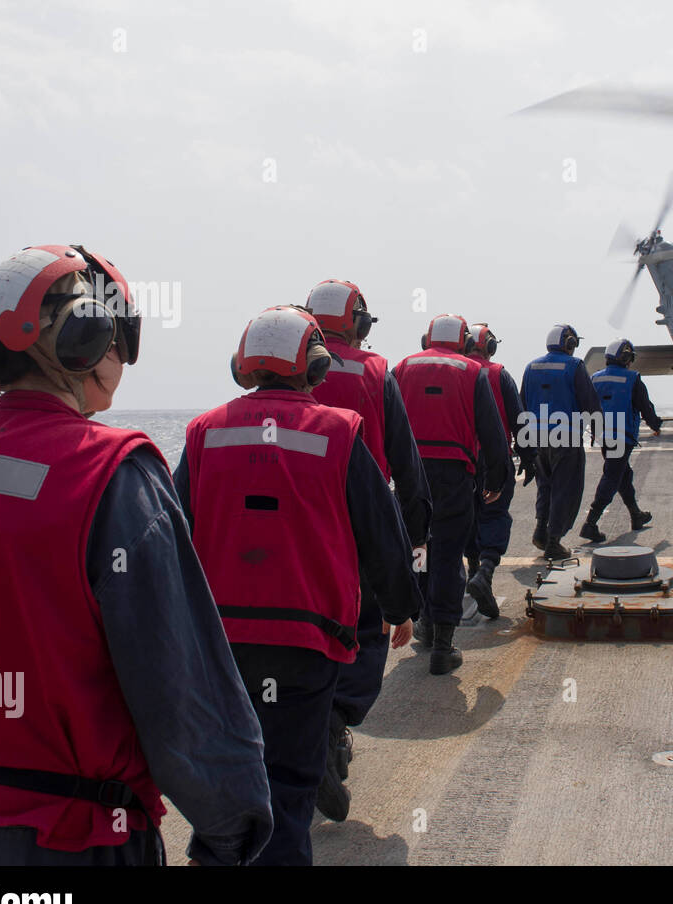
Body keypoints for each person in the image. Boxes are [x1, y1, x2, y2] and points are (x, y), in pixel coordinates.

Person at [0, 244, 272, 866]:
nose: (122, 359)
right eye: (120, 340)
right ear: (83, 338)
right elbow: (183, 689)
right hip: (71, 840)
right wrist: (230, 830)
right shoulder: (111, 476)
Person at [175, 305, 420, 865]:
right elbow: (381, 534)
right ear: (314, 368)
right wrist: (401, 606)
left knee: (227, 780)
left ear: (243, 366)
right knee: (286, 786)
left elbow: (172, 535)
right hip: (306, 645)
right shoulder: (338, 432)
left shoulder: (203, 432)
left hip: (219, 645)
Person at [304, 279, 431, 822]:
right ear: (356, 321)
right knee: (366, 630)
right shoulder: (377, 373)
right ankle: (331, 731)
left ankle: (303, 733)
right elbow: (404, 457)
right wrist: (416, 529)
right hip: (359, 523)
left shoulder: (287, 366)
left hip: (294, 525)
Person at [393, 315, 507, 674]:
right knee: (446, 554)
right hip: (454, 475)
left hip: (411, 474)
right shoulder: (471, 371)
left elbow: (388, 423)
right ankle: (443, 643)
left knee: (419, 550)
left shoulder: (402, 367)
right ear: (464, 341)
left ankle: (424, 621)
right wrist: (498, 478)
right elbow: (492, 432)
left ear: (428, 338)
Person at [463, 323, 531, 618]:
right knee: (495, 514)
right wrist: (529, 457)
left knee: (467, 517)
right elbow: (520, 421)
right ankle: (485, 574)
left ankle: (474, 571)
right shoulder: (499, 374)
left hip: (461, 460)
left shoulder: (458, 371)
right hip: (494, 458)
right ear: (490, 347)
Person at [521, 324, 602, 559]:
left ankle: (540, 531)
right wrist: (598, 431)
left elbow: (522, 403)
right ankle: (554, 541)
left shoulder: (531, 367)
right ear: (569, 344)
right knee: (566, 489)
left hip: (536, 438)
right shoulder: (574, 366)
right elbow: (589, 401)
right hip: (565, 437)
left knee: (545, 487)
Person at [580, 338, 663, 543]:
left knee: (623, 475)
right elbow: (645, 407)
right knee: (612, 476)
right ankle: (591, 522)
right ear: (626, 357)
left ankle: (636, 515)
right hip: (622, 436)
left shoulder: (595, 378)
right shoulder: (632, 379)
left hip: (603, 436)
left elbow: (586, 405)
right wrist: (656, 425)